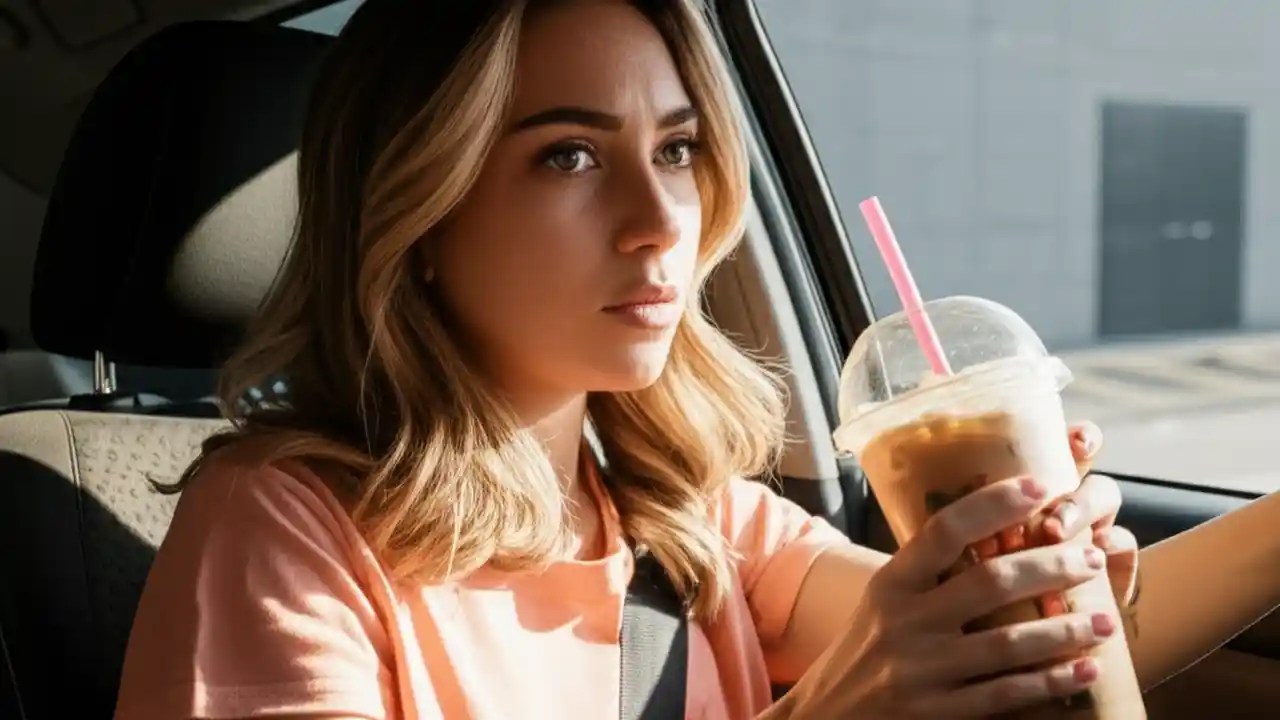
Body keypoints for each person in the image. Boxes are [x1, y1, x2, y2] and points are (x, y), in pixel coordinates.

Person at [114, 1, 1280, 718]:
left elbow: (1003, 650)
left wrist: (1040, 576)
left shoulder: (681, 516)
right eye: (567, 157)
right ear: (416, 212)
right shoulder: (277, 529)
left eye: (674, 148)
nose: (659, 220)